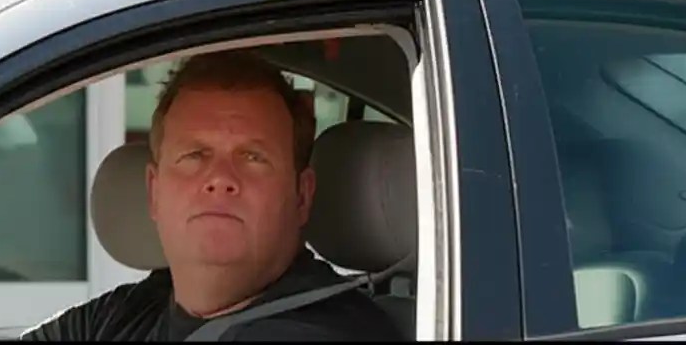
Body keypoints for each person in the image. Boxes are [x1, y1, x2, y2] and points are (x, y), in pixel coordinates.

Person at [21, 51, 402, 341]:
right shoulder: (126, 314)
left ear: (301, 196)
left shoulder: (326, 331)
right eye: (194, 156)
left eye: (253, 157)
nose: (220, 179)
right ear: (154, 192)